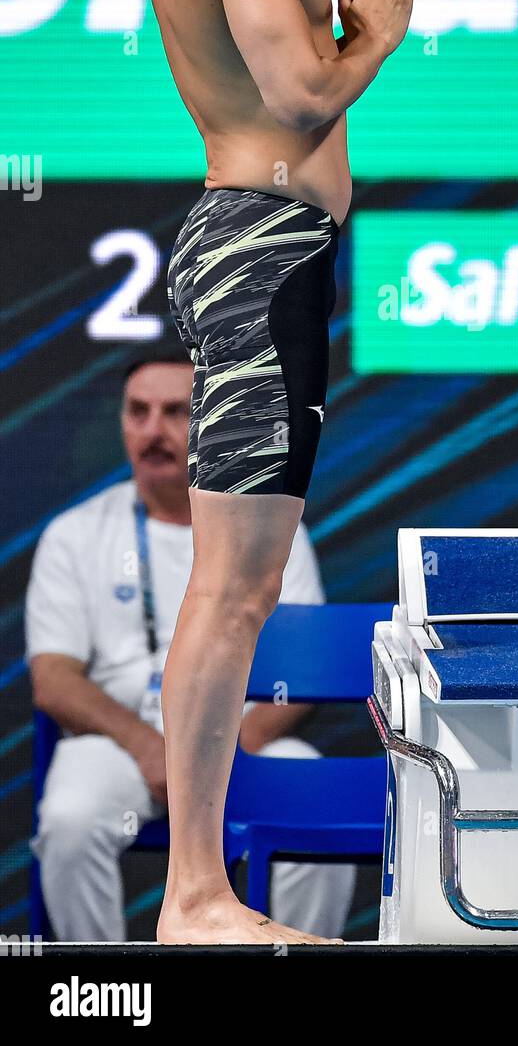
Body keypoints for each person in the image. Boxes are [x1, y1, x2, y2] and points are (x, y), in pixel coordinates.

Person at [148, 0, 421, 943]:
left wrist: (350, 37)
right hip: (258, 250)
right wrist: (379, 35)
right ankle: (196, 896)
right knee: (231, 591)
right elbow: (303, 98)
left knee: (237, 586)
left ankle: (199, 893)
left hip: (269, 251)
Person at [26, 352, 355, 942]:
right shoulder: (74, 535)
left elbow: (305, 672)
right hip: (123, 746)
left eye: (176, 412)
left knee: (315, 811)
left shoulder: (274, 532)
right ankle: (110, 986)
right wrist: (151, 748)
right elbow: (53, 676)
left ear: (209, 420)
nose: (154, 431)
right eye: (139, 412)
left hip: (241, 740)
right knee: (69, 820)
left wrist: (228, 750)